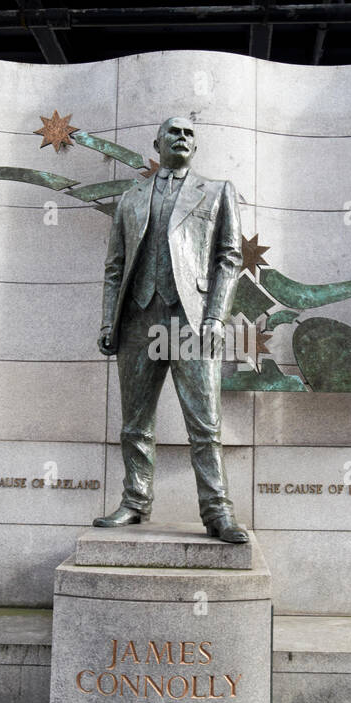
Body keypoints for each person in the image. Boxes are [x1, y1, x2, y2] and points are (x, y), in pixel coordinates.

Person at [93, 115, 248, 544]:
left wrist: (216, 317)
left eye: (189, 133)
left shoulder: (217, 192)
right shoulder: (132, 198)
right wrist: (109, 320)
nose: (182, 138)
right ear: (157, 142)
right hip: (139, 320)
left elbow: (229, 259)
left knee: (205, 423)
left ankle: (217, 511)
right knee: (135, 422)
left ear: (195, 147)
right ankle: (135, 501)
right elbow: (114, 267)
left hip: (192, 320)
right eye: (174, 132)